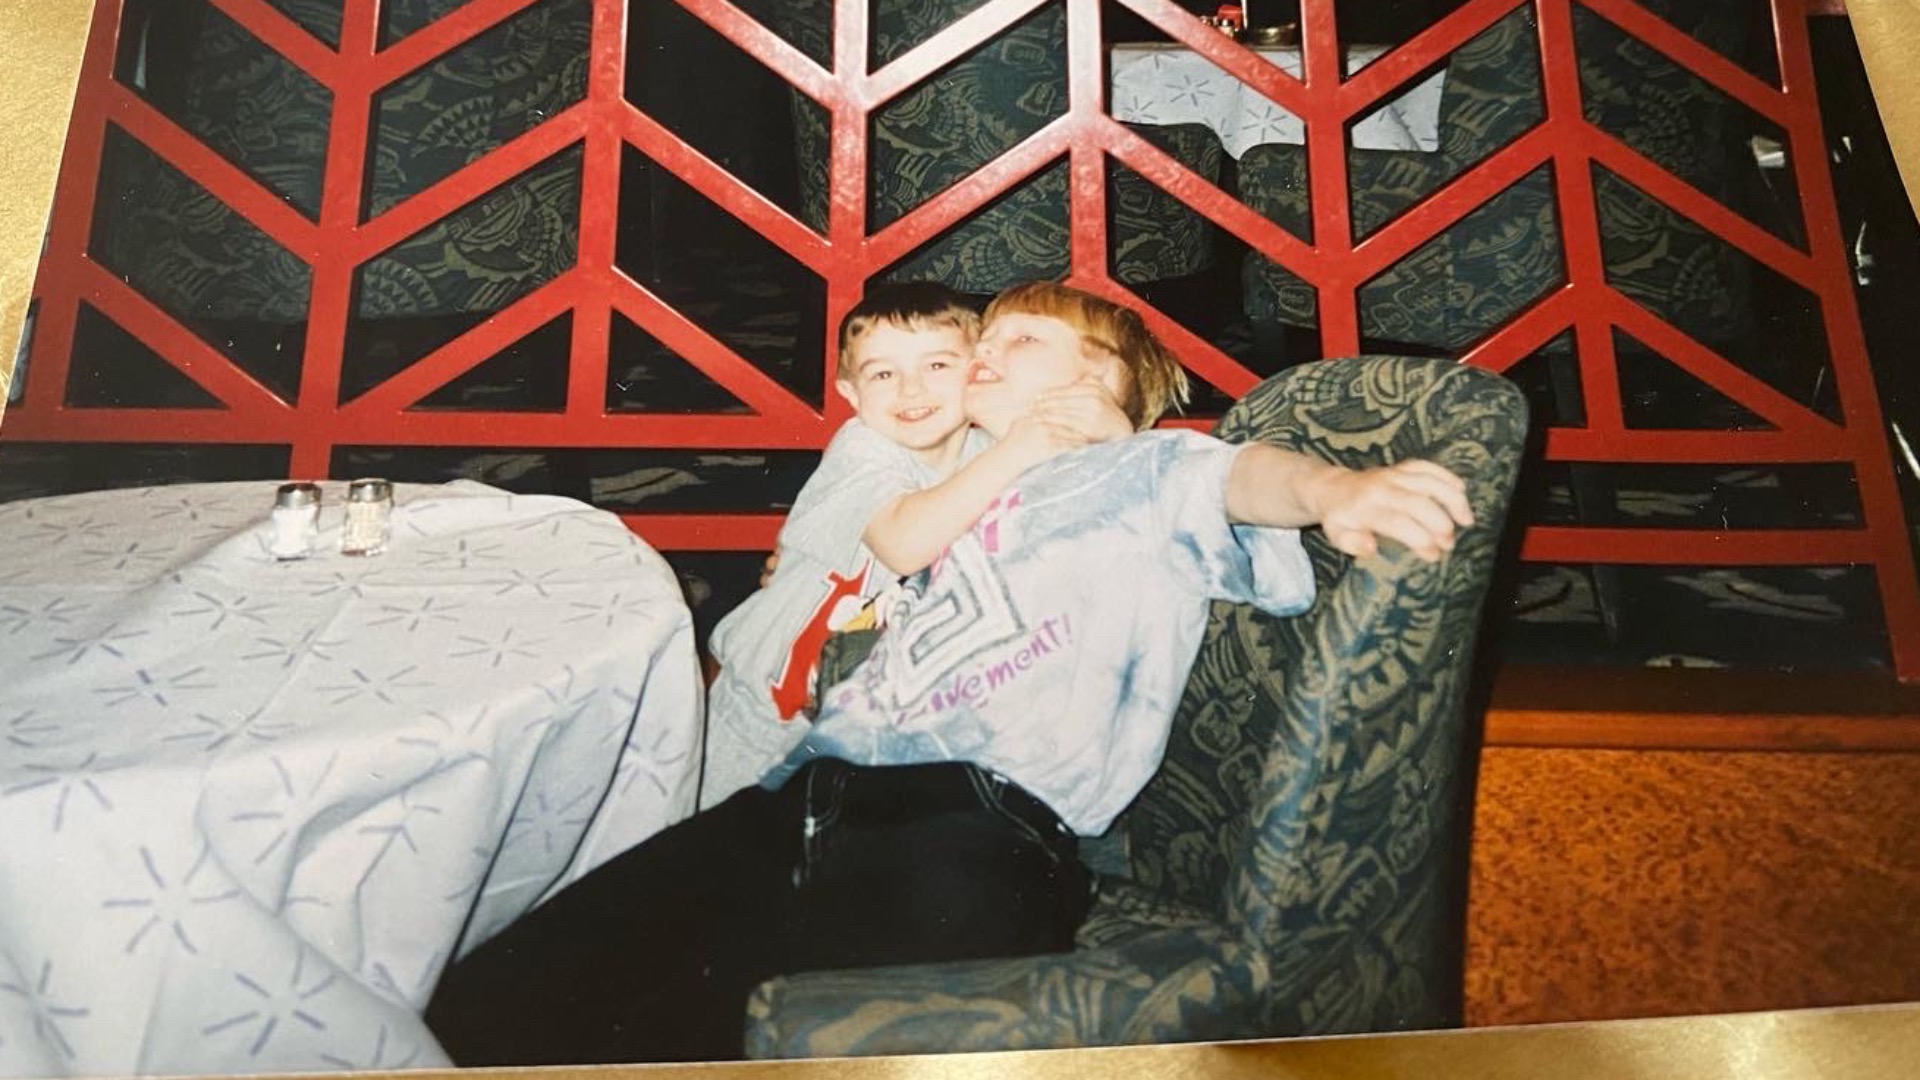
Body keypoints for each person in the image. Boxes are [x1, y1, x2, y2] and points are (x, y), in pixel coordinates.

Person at [423, 282, 1473, 1066]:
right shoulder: (969, 481)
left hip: (975, 821)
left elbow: (1239, 477)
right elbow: (878, 538)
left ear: (1094, 380)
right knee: (498, 1001)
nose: (977, 358)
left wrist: (1336, 490)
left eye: (1015, 342)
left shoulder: (1139, 468)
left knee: (741, 1035)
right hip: (808, 786)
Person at [700, 281, 1131, 806]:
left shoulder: (988, 449)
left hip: (867, 704)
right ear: (851, 394)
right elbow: (905, 544)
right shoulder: (863, 447)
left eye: (938, 366)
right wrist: (1019, 448)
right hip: (767, 700)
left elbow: (1084, 493)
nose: (911, 390)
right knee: (712, 827)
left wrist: (1118, 434)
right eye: (883, 374)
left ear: (975, 370)